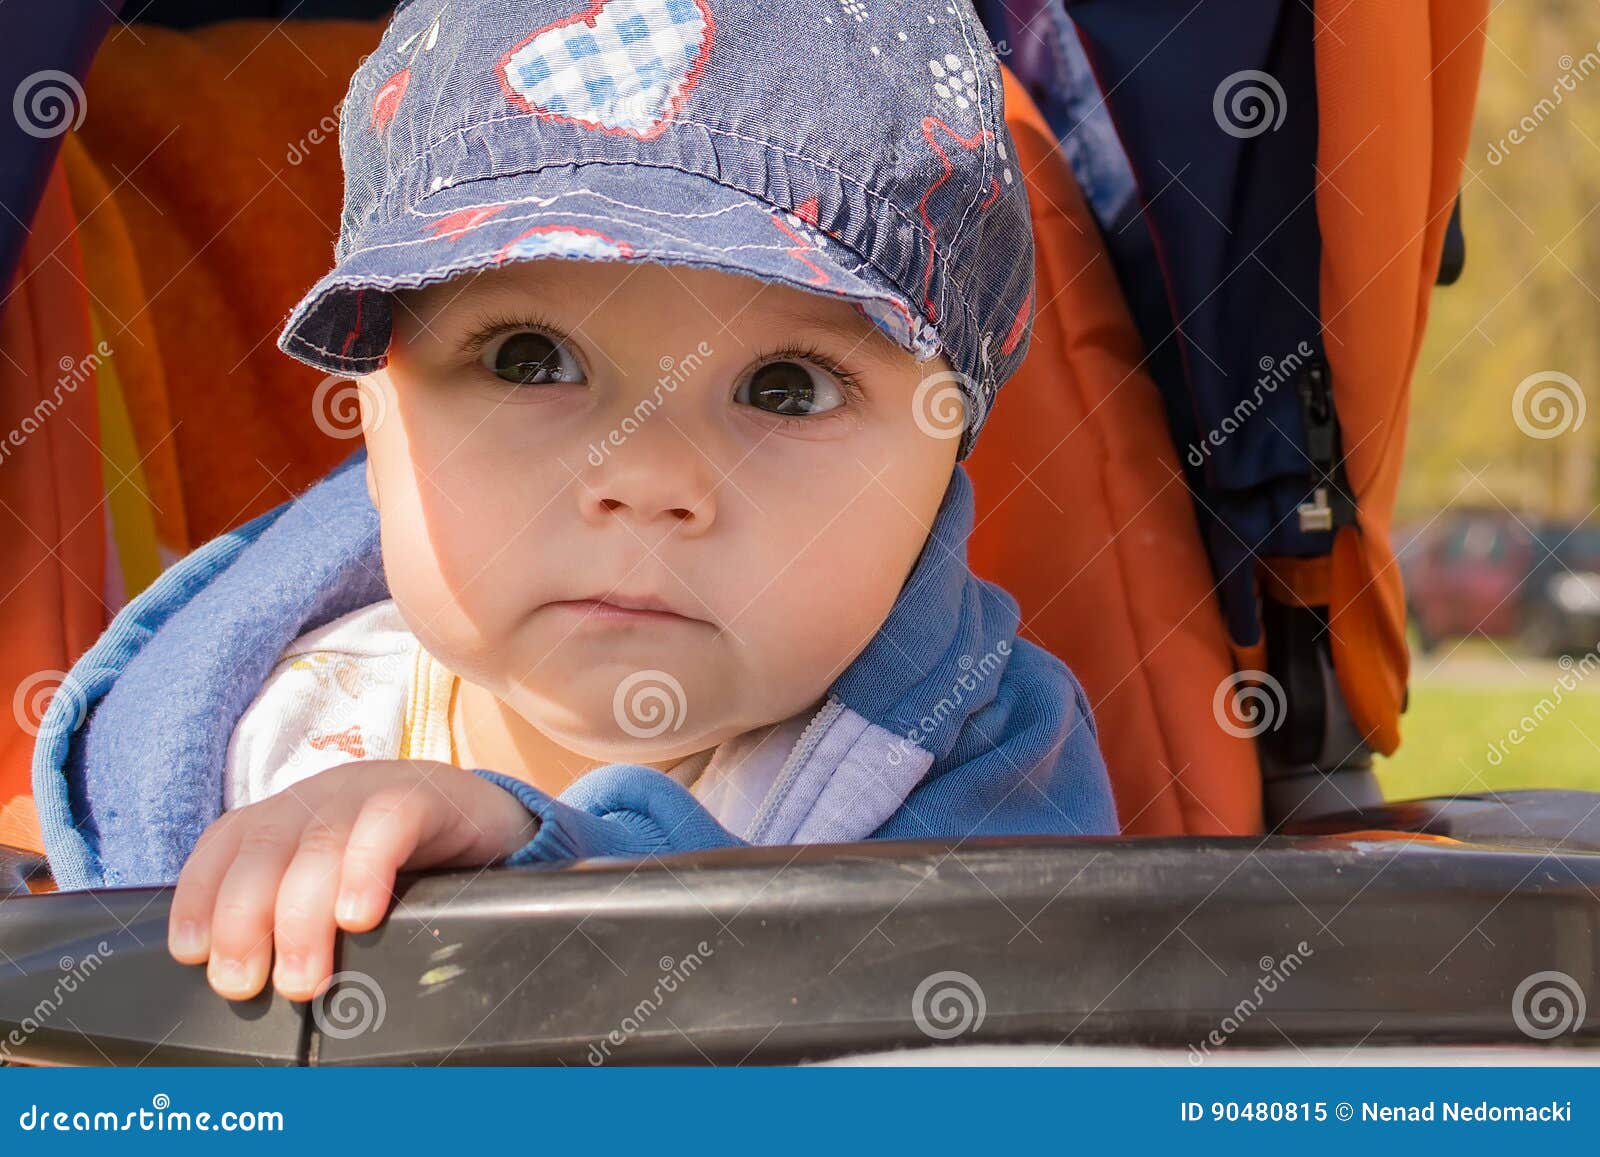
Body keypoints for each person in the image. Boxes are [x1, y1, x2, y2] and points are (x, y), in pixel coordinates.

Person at [32, 0, 1117, 1003]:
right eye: (527, 356)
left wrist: (549, 861)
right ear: (374, 408)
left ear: (944, 461)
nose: (644, 477)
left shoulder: (975, 761)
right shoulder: (241, 732)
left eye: (787, 387)